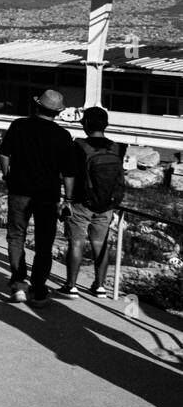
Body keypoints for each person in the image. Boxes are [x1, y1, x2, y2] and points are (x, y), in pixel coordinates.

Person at [0, 89, 78, 306]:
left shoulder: (19, 125)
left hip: (19, 190)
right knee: (44, 243)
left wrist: (8, 176)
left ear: (37, 106)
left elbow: (4, 153)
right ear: (58, 113)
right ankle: (39, 290)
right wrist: (68, 200)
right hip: (47, 195)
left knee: (16, 237)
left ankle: (18, 285)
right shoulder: (63, 136)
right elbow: (69, 173)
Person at [59, 106, 124, 298]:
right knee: (100, 244)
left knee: (76, 243)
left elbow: (69, 174)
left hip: (81, 202)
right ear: (106, 125)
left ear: (85, 124)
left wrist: (67, 200)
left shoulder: (78, 146)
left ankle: (71, 286)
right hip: (106, 205)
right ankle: (100, 286)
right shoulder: (117, 147)